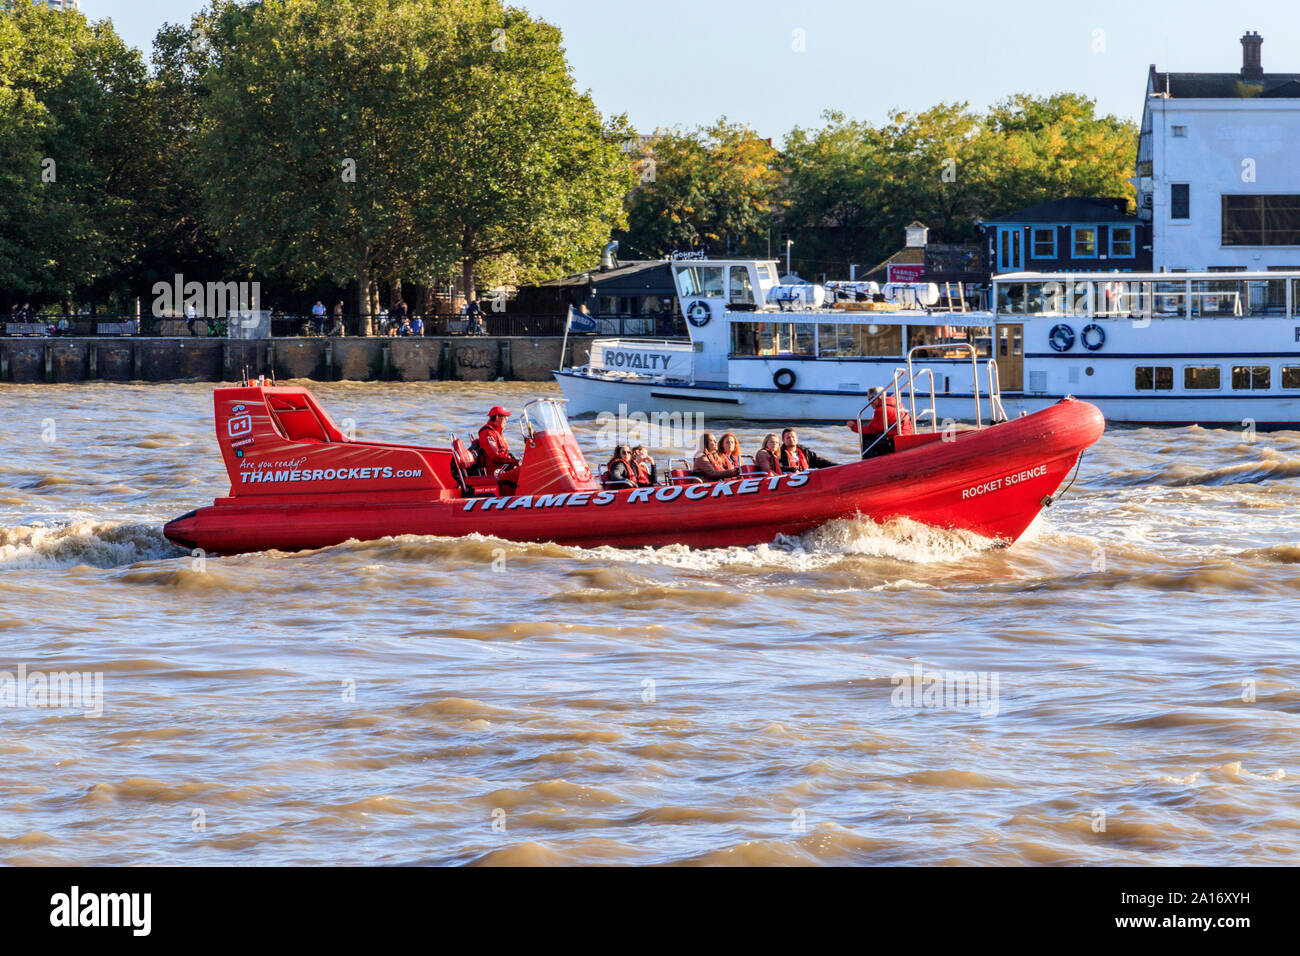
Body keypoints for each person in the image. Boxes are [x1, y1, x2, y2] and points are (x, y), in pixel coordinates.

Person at [848, 386, 914, 458]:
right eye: (868, 400)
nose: (870, 403)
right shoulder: (895, 402)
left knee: (867, 436)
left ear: (878, 397)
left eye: (871, 400)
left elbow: (872, 430)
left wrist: (853, 427)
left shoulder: (881, 410)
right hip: (907, 435)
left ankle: (868, 462)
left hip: (895, 441)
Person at [477, 405, 520, 492]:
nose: (507, 419)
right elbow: (495, 457)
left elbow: (504, 454)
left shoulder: (498, 433)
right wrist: (515, 462)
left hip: (504, 468)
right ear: (497, 417)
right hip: (497, 472)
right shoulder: (488, 433)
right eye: (505, 417)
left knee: (528, 468)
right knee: (523, 472)